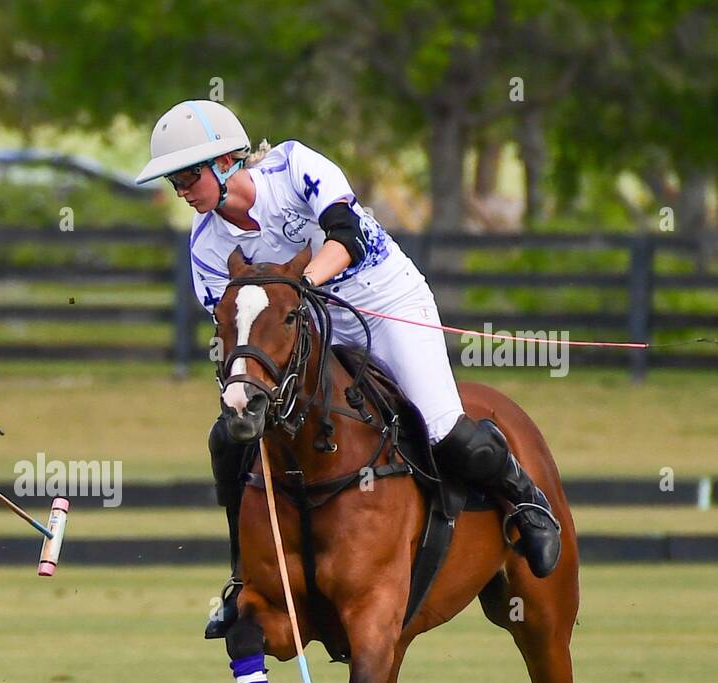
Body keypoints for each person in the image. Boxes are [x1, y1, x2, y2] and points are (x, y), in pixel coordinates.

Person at [133, 100, 562, 639]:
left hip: (383, 302)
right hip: (305, 329)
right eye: (174, 181)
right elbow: (232, 322)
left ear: (225, 164)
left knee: (444, 429)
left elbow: (347, 236)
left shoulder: (295, 169)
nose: (182, 190)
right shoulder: (206, 245)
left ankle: (525, 500)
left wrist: (300, 284)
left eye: (188, 175)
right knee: (230, 439)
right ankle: (244, 576)